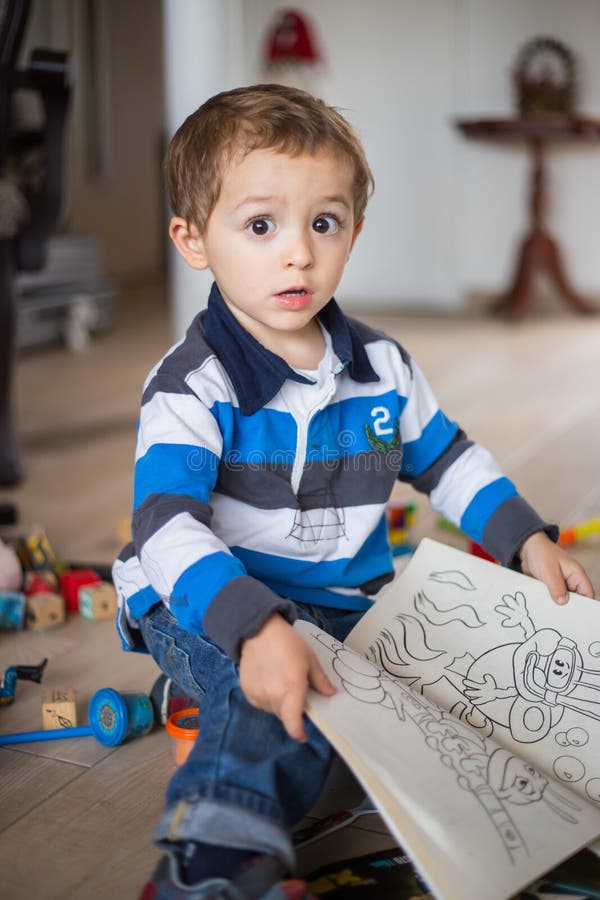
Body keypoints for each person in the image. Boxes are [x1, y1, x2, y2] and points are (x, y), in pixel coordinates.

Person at [113, 83, 594, 900]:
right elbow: (166, 525)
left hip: (351, 605)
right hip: (207, 598)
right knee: (282, 699)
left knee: (452, 682)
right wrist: (253, 626)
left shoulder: (384, 369)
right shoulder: (192, 386)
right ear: (192, 239)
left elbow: (449, 460)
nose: (298, 253)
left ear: (353, 233)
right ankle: (212, 862)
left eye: (323, 224)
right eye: (261, 226)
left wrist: (526, 537)